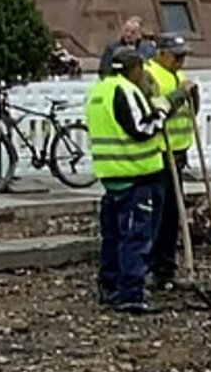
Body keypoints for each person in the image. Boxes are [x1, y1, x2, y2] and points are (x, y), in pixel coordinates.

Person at [84, 44, 166, 313]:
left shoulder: (98, 91)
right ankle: (131, 294)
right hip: (135, 176)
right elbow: (141, 128)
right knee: (135, 238)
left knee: (113, 236)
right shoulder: (125, 90)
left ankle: (109, 286)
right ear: (134, 68)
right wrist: (162, 112)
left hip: (111, 176)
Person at [144, 35, 199, 287]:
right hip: (159, 155)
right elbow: (157, 112)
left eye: (183, 56)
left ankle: (166, 267)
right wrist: (179, 95)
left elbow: (189, 113)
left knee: (172, 215)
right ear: (161, 53)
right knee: (159, 215)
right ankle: (154, 266)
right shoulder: (149, 75)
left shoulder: (177, 75)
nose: (181, 60)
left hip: (177, 154)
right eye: (177, 56)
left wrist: (193, 96)